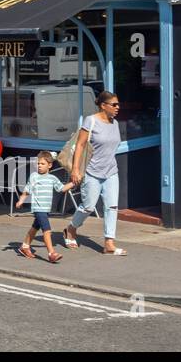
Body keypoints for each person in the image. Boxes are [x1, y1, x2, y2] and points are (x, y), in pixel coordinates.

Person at [63, 90, 127, 256]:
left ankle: (109, 243)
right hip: (92, 171)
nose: (117, 107)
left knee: (112, 207)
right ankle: (71, 229)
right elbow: (80, 145)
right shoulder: (91, 121)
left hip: (111, 171)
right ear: (103, 106)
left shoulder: (115, 124)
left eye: (118, 104)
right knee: (88, 207)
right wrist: (76, 169)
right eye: (114, 104)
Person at [15, 151, 67, 262]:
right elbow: (27, 191)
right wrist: (21, 200)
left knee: (35, 227)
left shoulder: (52, 178)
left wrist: (73, 183)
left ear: (49, 165)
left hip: (46, 208)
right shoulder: (34, 176)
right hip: (38, 208)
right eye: (38, 163)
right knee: (47, 229)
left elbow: (61, 188)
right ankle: (51, 253)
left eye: (42, 164)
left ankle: (25, 246)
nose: (39, 166)